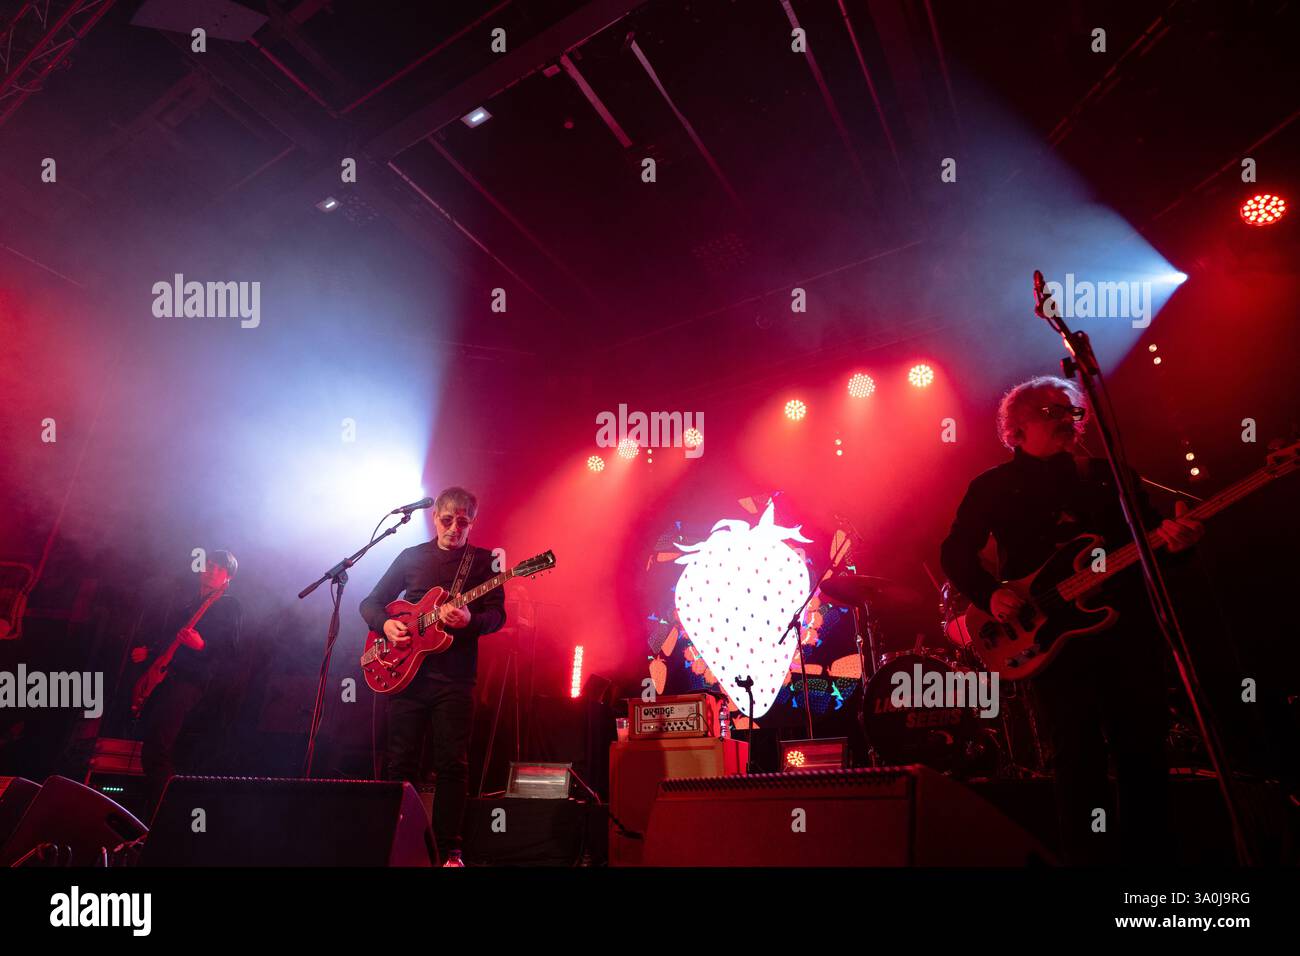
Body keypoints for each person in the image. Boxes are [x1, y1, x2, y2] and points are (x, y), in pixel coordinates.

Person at [940, 376, 1203, 863]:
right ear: (1014, 431)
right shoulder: (993, 486)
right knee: (1076, 757)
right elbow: (955, 553)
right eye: (1050, 412)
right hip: (1050, 643)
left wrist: (1177, 547)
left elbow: (1148, 548)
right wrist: (991, 594)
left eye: (1071, 412)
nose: (1066, 420)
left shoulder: (1107, 475)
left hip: (1126, 630)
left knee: (1142, 753)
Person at [360, 486, 506, 867]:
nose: (454, 528)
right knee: (400, 762)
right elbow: (369, 602)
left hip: (455, 679)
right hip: (405, 674)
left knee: (452, 764)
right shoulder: (411, 557)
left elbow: (497, 616)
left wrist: (471, 620)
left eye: (463, 522)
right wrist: (387, 624)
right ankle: (392, 840)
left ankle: (449, 851)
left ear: (472, 522)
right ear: (434, 516)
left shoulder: (485, 561)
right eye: (447, 519)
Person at [134, 549, 242, 820]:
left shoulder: (229, 605)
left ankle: (166, 816)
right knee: (154, 748)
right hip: (169, 676)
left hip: (192, 681)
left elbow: (230, 650)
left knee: (157, 749)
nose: (210, 569)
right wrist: (149, 651)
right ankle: (158, 814)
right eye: (209, 564)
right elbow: (171, 638)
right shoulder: (189, 605)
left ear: (228, 575)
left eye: (218, 566)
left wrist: (202, 645)